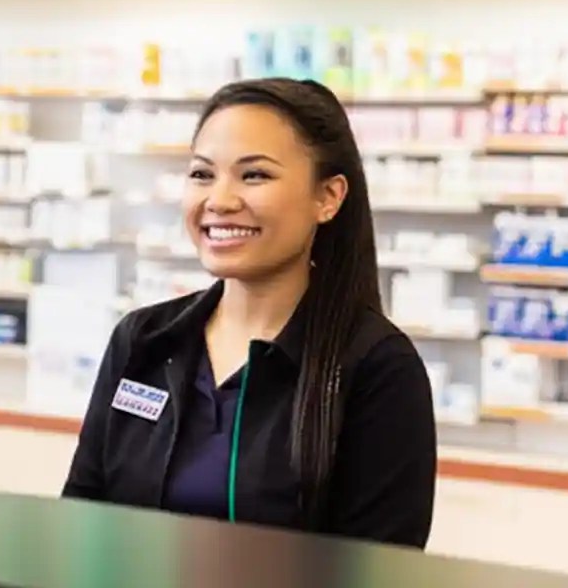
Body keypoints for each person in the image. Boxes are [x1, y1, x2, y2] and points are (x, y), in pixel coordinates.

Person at [62, 78, 436, 548]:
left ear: (328, 197)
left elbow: (383, 570)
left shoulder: (376, 368)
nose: (219, 200)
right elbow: (79, 523)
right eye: (202, 174)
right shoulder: (144, 340)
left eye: (254, 175)